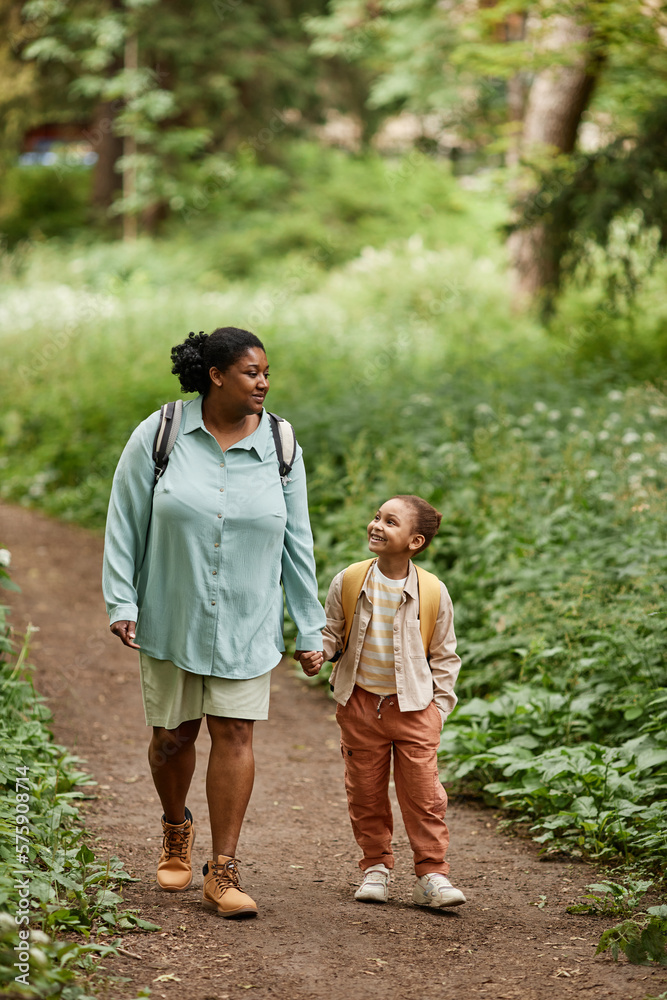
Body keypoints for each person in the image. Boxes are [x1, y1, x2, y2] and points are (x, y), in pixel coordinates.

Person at [103, 326, 325, 919]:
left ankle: (223, 871)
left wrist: (310, 628)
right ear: (217, 375)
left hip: (248, 622)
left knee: (236, 734)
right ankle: (176, 826)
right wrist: (121, 600)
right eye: (252, 372)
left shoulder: (281, 444)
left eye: (267, 372)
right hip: (172, 614)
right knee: (172, 738)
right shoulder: (162, 433)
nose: (264, 383)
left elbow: (297, 542)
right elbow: (124, 519)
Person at [303, 494, 466, 908]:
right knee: (365, 792)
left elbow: (445, 655)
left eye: (390, 522)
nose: (376, 525)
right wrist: (319, 652)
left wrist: (439, 709)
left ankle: (431, 875)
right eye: (377, 517)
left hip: (414, 710)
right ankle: (376, 867)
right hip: (360, 706)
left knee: (424, 795)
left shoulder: (432, 590)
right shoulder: (351, 580)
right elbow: (332, 632)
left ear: (416, 542)